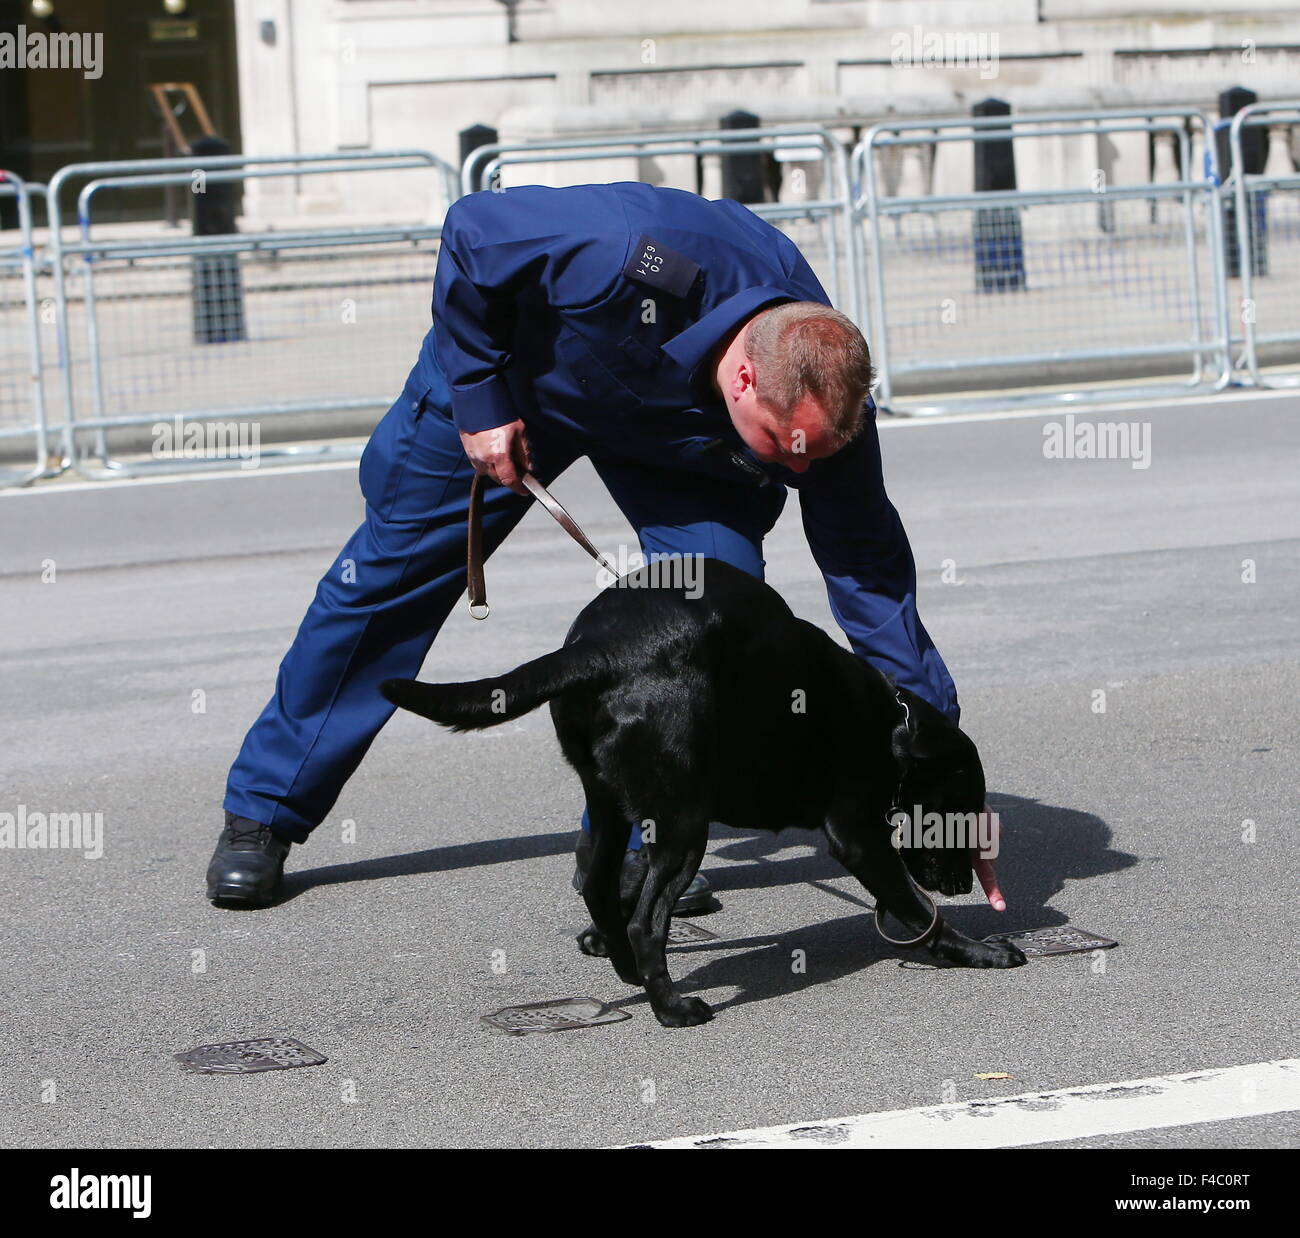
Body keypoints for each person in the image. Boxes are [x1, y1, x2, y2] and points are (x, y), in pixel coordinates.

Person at [207, 181, 1007, 917]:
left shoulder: (822, 404)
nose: (798, 470)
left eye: (812, 454)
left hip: (680, 445)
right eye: (784, 448)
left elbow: (866, 566)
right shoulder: (626, 250)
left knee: (707, 627)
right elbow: (473, 233)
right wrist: (482, 402)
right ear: (744, 384)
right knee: (385, 584)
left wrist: (933, 747)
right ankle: (265, 811)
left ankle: (633, 845)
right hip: (521, 381)